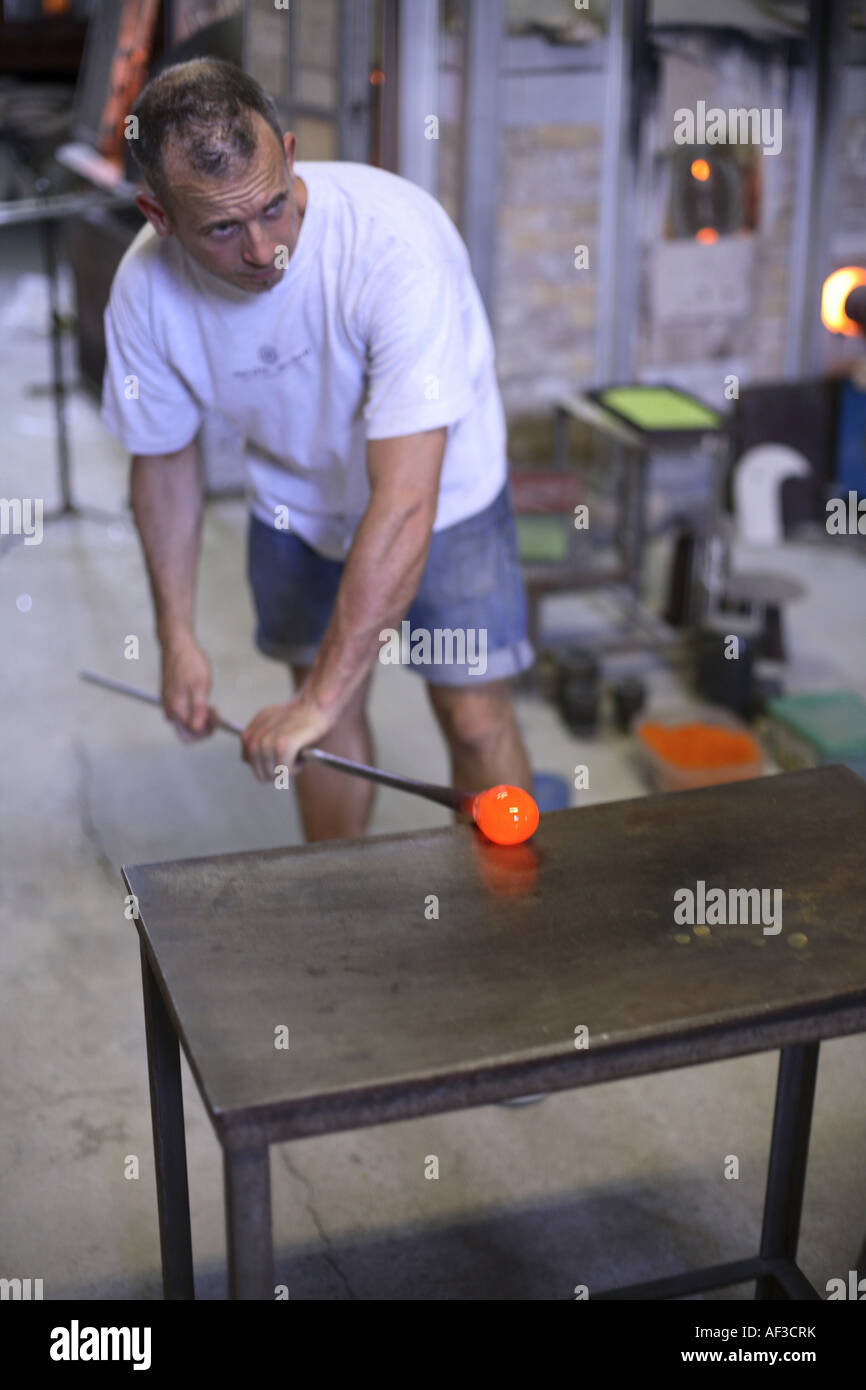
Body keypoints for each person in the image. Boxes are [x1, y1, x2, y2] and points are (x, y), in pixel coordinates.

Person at [101, 57, 535, 841]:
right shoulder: (145, 295)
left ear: (291, 154)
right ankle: (339, 928)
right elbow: (162, 461)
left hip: (445, 499)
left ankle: (514, 920)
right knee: (323, 740)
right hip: (295, 502)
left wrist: (321, 697)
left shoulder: (395, 245)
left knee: (472, 717)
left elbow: (404, 500)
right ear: (159, 217)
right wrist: (177, 638)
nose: (267, 251)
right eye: (225, 229)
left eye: (274, 206)